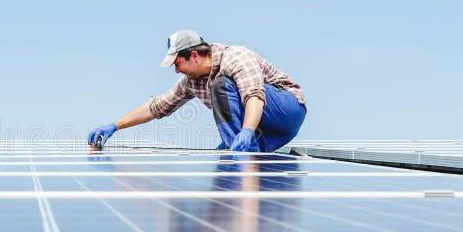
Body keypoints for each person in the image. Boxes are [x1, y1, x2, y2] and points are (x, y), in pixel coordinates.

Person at [87, 29, 306, 152]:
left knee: (222, 85)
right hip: (269, 131)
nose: (176, 71)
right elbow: (157, 107)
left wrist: (247, 130)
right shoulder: (192, 81)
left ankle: (241, 150)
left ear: (193, 55)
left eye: (177, 63)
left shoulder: (235, 56)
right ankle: (242, 157)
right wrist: (113, 126)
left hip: (286, 110)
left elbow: (254, 96)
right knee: (223, 155)